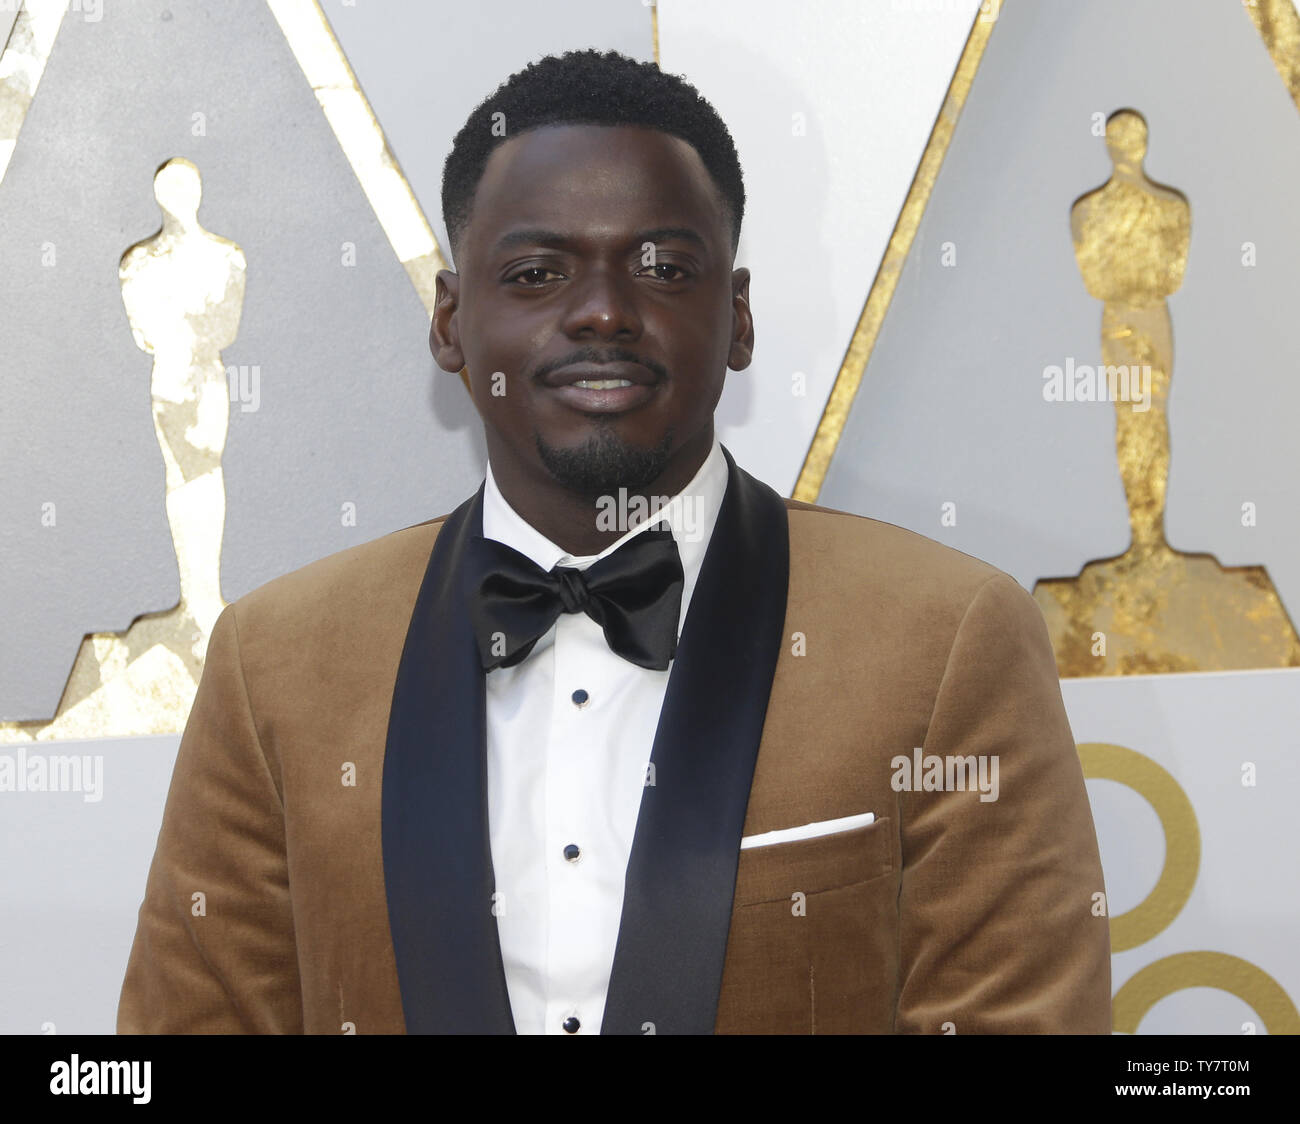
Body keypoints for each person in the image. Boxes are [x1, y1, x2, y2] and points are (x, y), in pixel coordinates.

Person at [118, 48, 1110, 1035]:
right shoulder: (274, 663)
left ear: (737, 317)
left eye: (664, 268)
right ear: (452, 322)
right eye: (537, 271)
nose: (601, 310)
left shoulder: (945, 638)